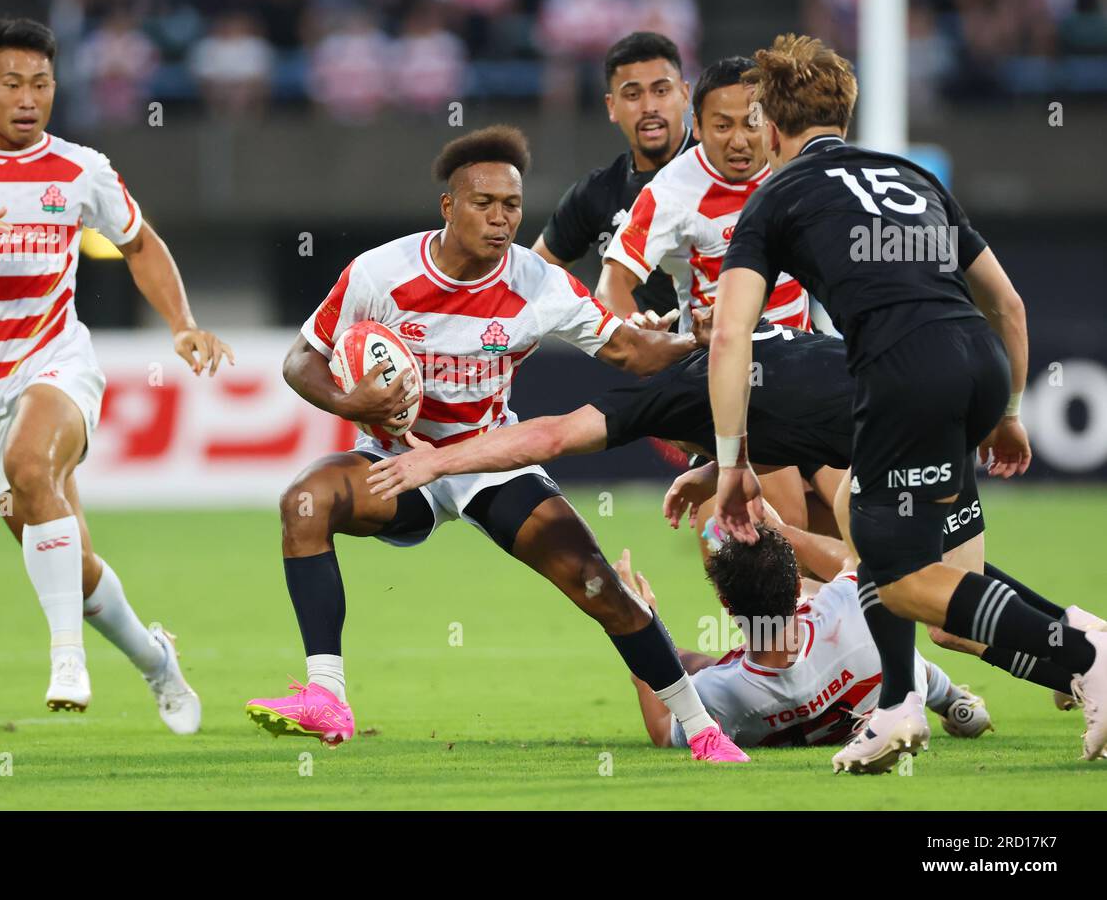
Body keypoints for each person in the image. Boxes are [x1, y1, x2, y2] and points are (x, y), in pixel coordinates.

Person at [243, 125, 748, 762]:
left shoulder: (539, 284)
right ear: (448, 207)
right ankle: (327, 696)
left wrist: (696, 341)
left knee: (596, 585)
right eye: (483, 204)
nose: (501, 218)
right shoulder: (380, 274)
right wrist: (349, 402)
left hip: (487, 458)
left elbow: (630, 351)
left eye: (511, 206)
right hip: (395, 460)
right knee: (304, 503)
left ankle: (702, 729)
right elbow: (300, 360)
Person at [706, 33, 1107, 770]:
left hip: (901, 375)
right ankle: (897, 707)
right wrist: (1010, 410)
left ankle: (1086, 651)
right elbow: (1009, 305)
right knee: (887, 547)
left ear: (770, 125)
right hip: (976, 364)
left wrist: (731, 461)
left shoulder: (776, 198)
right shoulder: (908, 175)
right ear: (845, 116)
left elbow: (732, 336)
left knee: (902, 577)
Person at [364, 320, 1105, 707]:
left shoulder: (665, 391)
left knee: (920, 596)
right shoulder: (745, 354)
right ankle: (1082, 649)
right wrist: (720, 468)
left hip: (891, 437)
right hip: (930, 397)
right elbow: (773, 411)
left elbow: (550, 434)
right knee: (941, 593)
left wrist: (436, 457)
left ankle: (1087, 661)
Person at [0, 18, 233, 732]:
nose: (29, 99)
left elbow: (139, 242)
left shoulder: (79, 168)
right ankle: (157, 661)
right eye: (12, 84)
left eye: (42, 84)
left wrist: (182, 324)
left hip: (59, 359)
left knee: (33, 463)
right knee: (75, 561)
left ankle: (66, 658)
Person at [613, 529, 992, 749]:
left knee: (692, 665)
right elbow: (853, 559)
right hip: (863, 680)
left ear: (726, 605)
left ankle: (951, 701)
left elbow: (664, 730)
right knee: (891, 648)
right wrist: (784, 528)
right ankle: (952, 700)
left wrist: (642, 628)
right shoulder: (847, 606)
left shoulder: (718, 693)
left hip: (773, 704)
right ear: (795, 585)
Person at [600, 56, 810, 334]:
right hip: (716, 363)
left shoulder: (795, 170)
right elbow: (611, 285)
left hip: (802, 357)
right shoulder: (670, 193)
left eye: (751, 124)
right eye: (723, 126)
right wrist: (639, 334)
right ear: (697, 126)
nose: (738, 141)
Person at [532, 32, 694, 320]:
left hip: (741, 352)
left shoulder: (721, 170)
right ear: (611, 107)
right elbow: (531, 277)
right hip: (652, 358)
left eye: (661, 91)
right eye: (633, 95)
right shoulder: (597, 192)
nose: (649, 107)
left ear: (684, 95)